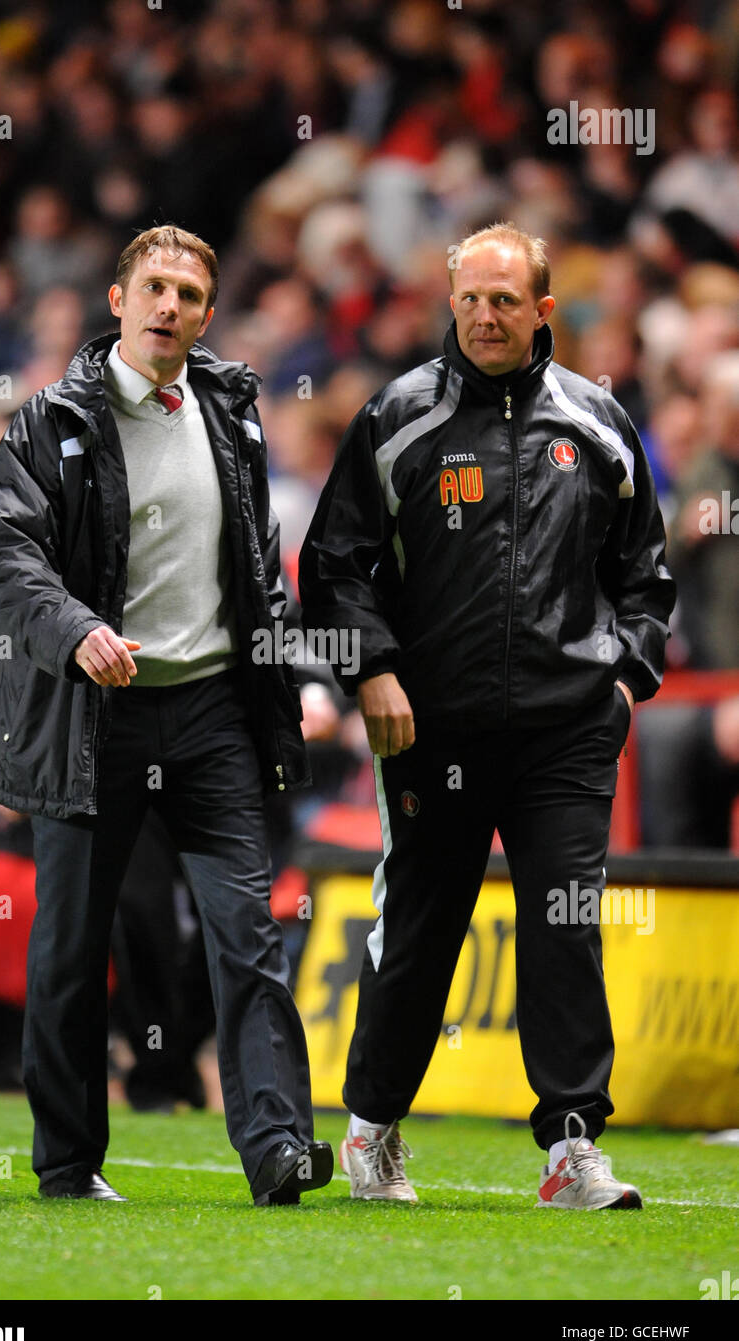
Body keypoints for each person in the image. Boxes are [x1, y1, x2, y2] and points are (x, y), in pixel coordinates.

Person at [299, 222, 676, 1210]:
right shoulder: (396, 416)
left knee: (564, 925)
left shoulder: (598, 423)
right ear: (449, 301)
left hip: (564, 732)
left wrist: (622, 682)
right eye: (468, 298)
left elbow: (646, 578)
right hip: (430, 731)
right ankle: (372, 1129)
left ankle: (568, 1147)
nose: (484, 315)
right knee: (421, 931)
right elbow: (331, 567)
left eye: (504, 300)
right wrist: (371, 670)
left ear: (543, 310)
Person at [0, 224, 332, 1206]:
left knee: (244, 935)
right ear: (118, 302)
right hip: (98, 716)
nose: (169, 305)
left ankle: (276, 1150)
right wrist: (74, 627)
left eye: (187, 292)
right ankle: (66, 1164)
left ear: (207, 315)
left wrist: (283, 670)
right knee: (69, 949)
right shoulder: (45, 424)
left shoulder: (233, 412)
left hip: (212, 709)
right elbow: (7, 563)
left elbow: (257, 566)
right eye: (154, 288)